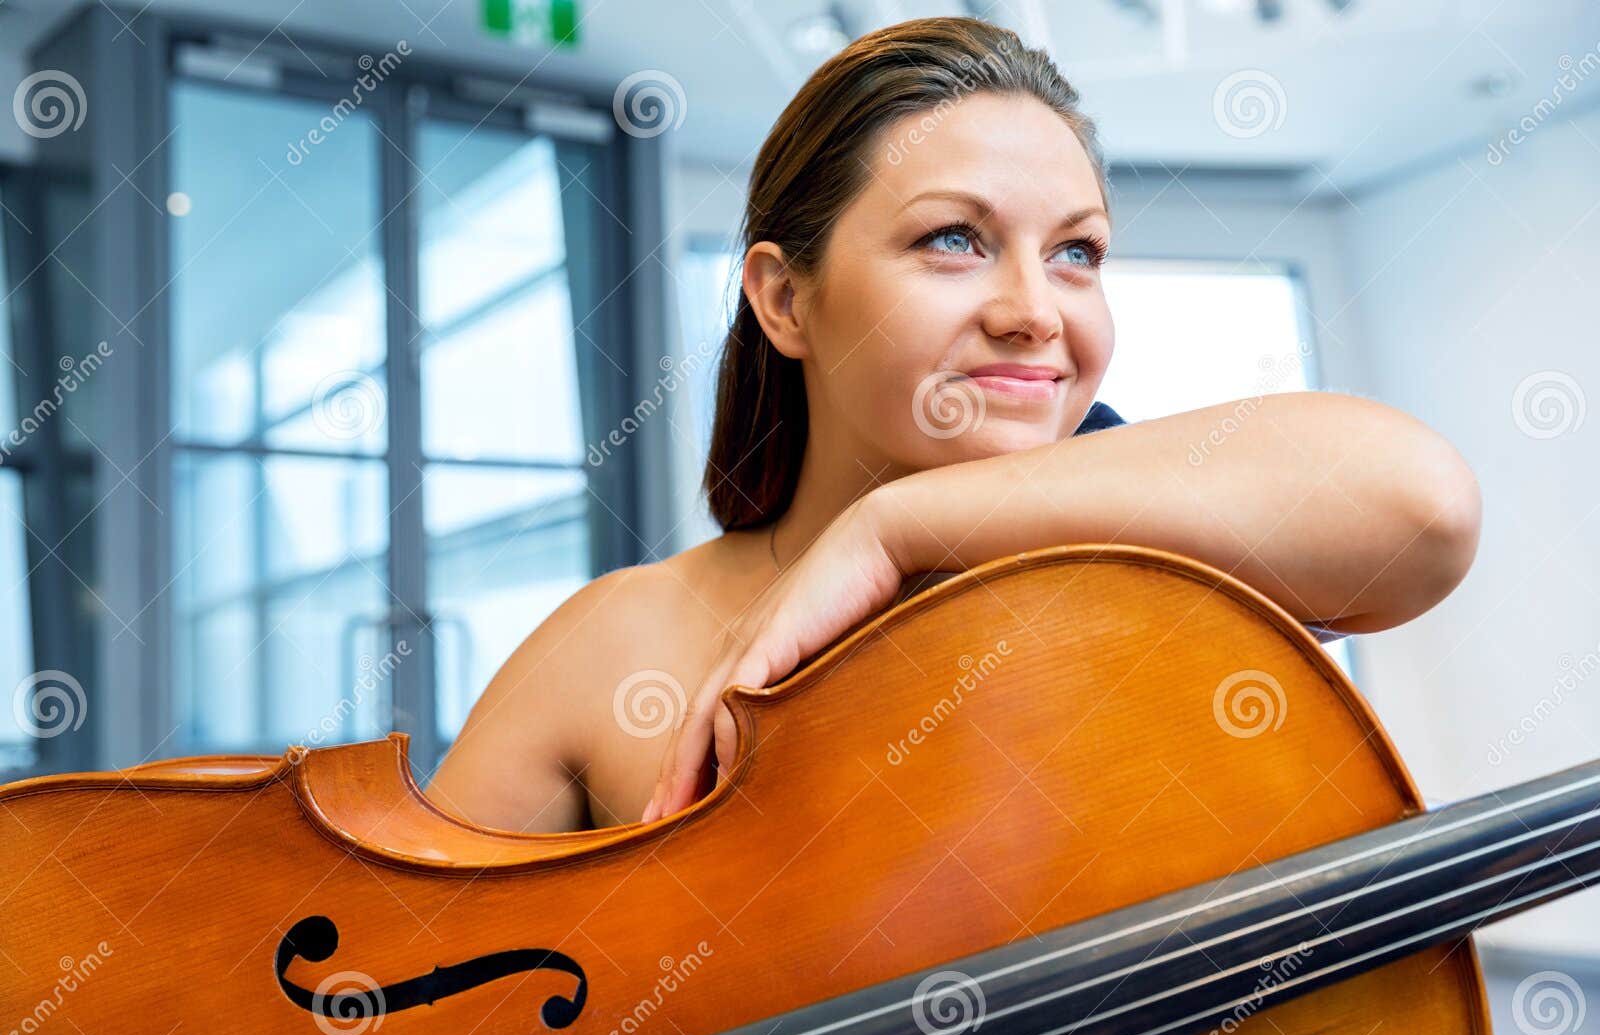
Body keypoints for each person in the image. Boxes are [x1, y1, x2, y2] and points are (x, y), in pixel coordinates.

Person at [423, 16, 1481, 834]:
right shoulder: (615, 642)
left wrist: (897, 527)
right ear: (785, 301)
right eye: (953, 240)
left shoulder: (1156, 565)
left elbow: (1419, 505)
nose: (1033, 309)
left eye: (1076, 251)